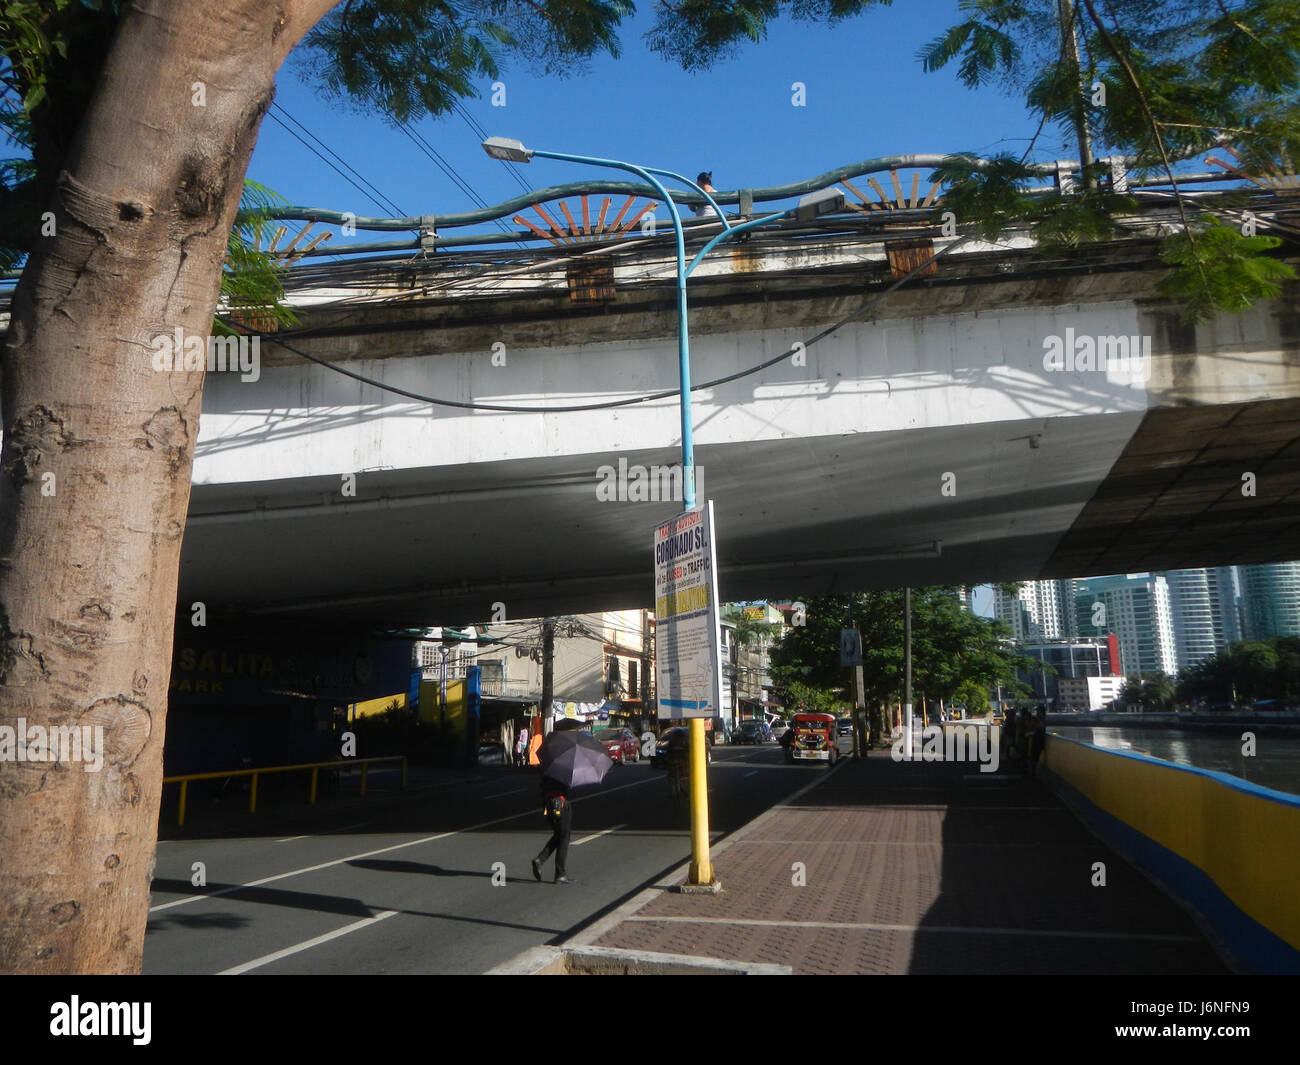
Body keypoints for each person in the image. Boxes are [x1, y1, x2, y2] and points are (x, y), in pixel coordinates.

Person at [532, 774, 575, 884]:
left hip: (548, 803)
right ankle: (560, 874)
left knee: (559, 834)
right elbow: (564, 786)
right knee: (564, 838)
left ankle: (540, 860)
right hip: (560, 803)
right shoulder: (563, 770)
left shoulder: (549, 768)